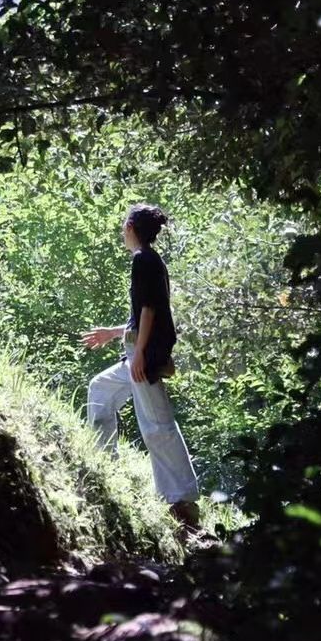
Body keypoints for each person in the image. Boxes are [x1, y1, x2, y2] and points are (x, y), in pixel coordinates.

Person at [80, 204, 202, 530]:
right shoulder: (149, 260)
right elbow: (141, 316)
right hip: (136, 349)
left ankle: (182, 500)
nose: (122, 231)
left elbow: (149, 311)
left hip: (142, 353)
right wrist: (112, 333)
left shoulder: (143, 260)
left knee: (157, 424)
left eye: (124, 225)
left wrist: (140, 355)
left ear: (131, 227)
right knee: (100, 390)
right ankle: (104, 464)